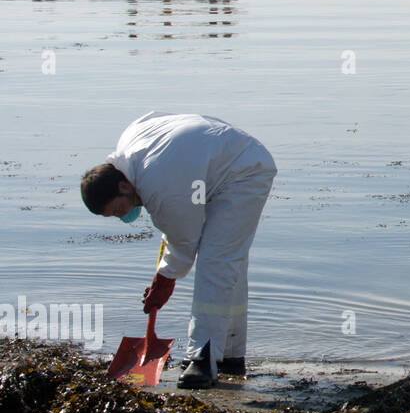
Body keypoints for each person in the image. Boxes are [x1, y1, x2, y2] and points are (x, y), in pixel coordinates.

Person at [80, 112, 277, 389]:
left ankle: (202, 358)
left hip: (243, 172)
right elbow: (173, 225)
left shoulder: (160, 187)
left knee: (216, 261)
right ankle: (230, 356)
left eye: (118, 209)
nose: (122, 216)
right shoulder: (131, 151)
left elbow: (184, 242)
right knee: (228, 262)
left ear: (123, 185)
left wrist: (165, 279)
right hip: (220, 161)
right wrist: (163, 273)